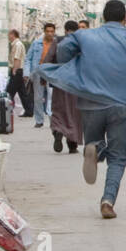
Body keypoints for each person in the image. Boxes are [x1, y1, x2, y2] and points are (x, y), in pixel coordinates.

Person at [39, 0, 126, 219]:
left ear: (103, 18)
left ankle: (93, 147)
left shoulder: (85, 36)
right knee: (118, 157)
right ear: (124, 19)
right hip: (121, 106)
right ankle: (107, 200)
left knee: (94, 144)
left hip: (90, 103)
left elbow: (64, 49)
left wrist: (75, 63)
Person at [43, 21, 83, 154]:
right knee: (75, 114)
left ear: (65, 30)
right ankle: (72, 144)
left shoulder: (58, 42)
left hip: (60, 83)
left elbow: (48, 59)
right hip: (76, 84)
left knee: (59, 110)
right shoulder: (81, 43)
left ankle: (58, 131)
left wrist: (44, 77)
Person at [26, 23, 57, 127]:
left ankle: (52, 119)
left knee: (52, 96)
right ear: (44, 31)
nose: (49, 33)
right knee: (38, 97)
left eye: (51, 31)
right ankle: (39, 120)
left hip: (52, 72)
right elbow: (28, 58)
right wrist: (27, 73)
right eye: (47, 31)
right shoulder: (36, 43)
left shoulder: (57, 44)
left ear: (54, 32)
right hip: (38, 72)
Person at [6, 29, 34, 118]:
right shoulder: (18, 44)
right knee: (22, 92)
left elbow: (17, 58)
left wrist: (14, 70)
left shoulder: (17, 45)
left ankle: (5, 108)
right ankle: (29, 110)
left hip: (17, 70)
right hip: (19, 70)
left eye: (9, 35)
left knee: (10, 91)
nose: (8, 37)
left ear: (13, 35)